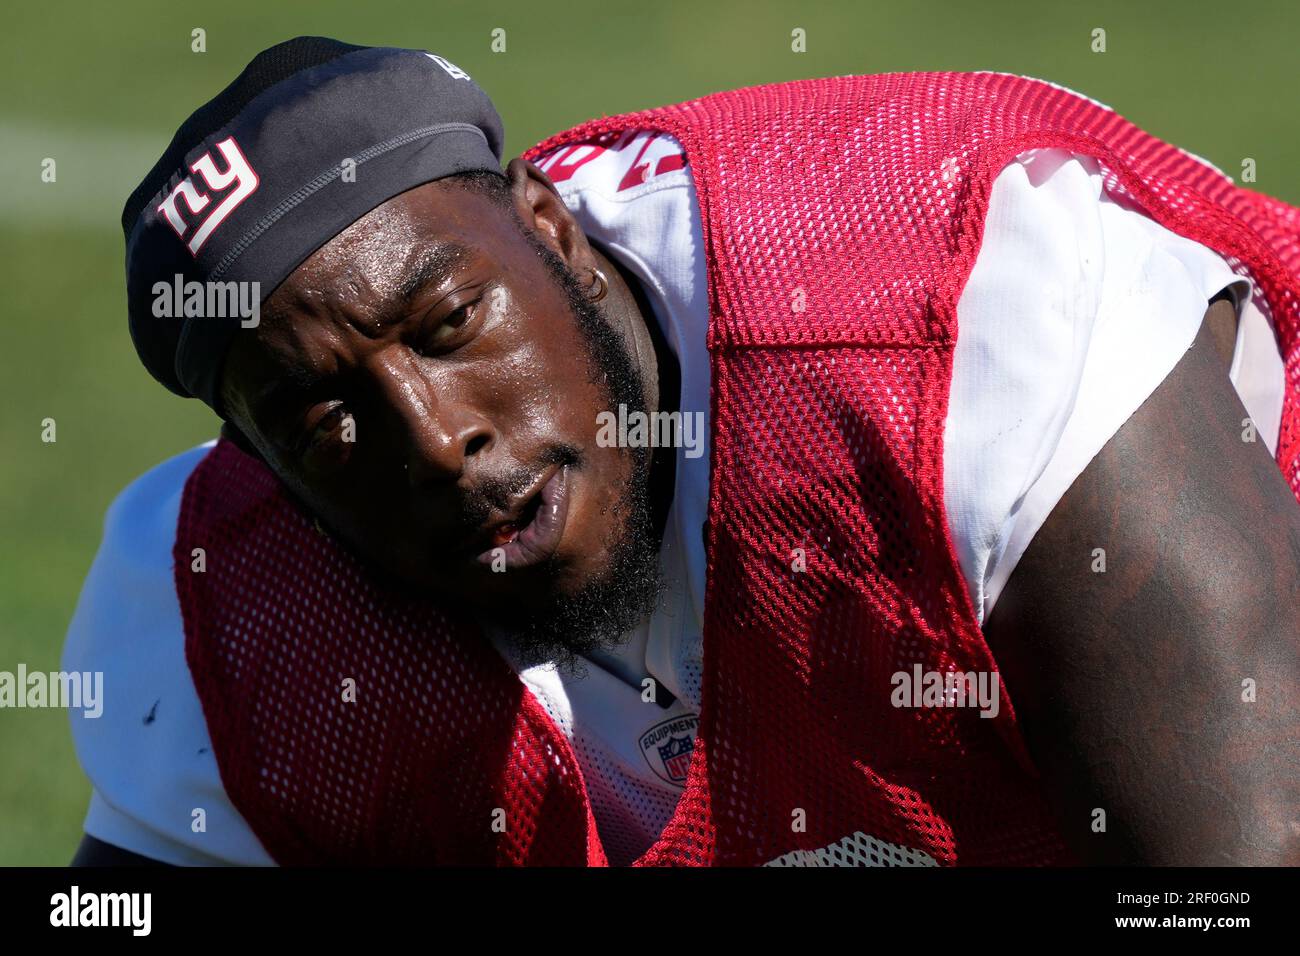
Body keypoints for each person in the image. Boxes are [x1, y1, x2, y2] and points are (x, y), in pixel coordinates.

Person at [66, 37, 1299, 866]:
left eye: (451, 324)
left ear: (548, 226)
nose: (439, 441)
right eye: (323, 421)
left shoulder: (959, 317)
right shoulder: (219, 603)